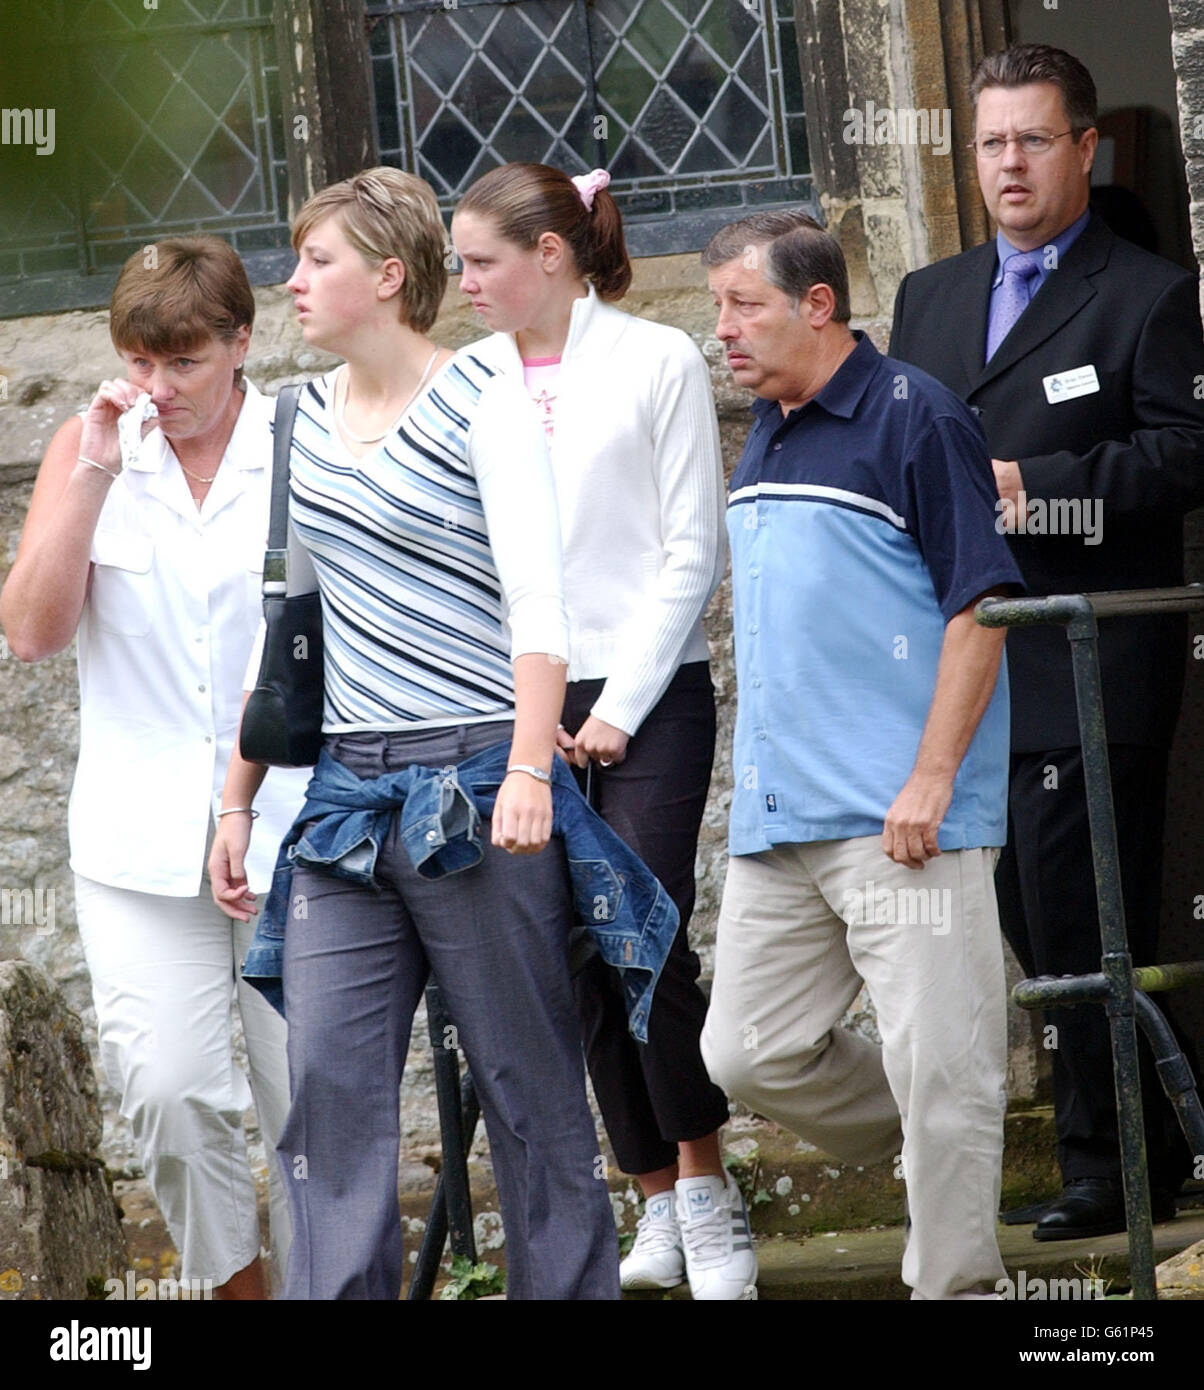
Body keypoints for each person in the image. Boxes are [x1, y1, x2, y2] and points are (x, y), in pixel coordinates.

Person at [208, 166, 621, 1300]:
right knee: (327, 1098)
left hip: (480, 780)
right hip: (345, 800)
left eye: (318, 261)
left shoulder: (481, 396)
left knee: (529, 1092)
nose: (292, 282)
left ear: (389, 277)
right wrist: (238, 800)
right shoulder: (296, 416)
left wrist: (531, 766)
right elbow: (289, 626)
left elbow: (540, 603)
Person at [889, 43, 1204, 1241]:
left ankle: (1113, 1167)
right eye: (989, 143)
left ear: (1082, 147)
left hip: (1084, 661)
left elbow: (1184, 454)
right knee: (1015, 911)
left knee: (1080, 915)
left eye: (1031, 139)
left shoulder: (1143, 294)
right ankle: (1140, 1138)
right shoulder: (926, 296)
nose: (1008, 164)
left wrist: (1042, 488)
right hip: (954, 669)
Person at [699, 210, 1025, 1300]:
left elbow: (982, 605)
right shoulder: (771, 426)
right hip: (779, 820)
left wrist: (931, 776)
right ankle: (948, 1112)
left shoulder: (916, 417)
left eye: (743, 305)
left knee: (943, 1072)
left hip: (905, 821)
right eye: (714, 309)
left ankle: (955, 1285)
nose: (724, 331)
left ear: (818, 304)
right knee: (745, 1052)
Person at [451, 163, 751, 1300]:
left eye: (481, 261)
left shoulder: (655, 359)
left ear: (552, 253)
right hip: (523, 701)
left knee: (647, 927)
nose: (464, 281)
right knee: (572, 950)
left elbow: (690, 545)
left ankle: (711, 1187)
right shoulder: (466, 381)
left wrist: (619, 705)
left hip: (649, 692)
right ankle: (654, 1196)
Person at [0, 237, 307, 1298]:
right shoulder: (91, 452)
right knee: (170, 1095)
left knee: (308, 1097)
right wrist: (91, 466)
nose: (157, 389)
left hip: (295, 829)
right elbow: (32, 632)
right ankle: (238, 1286)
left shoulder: (303, 440)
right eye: (139, 362)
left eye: (182, 364)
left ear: (240, 343)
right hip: (135, 843)